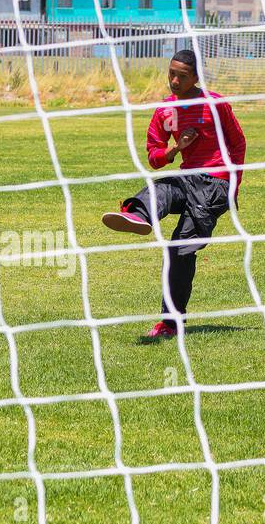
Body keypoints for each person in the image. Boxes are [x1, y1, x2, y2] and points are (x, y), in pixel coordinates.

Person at [101, 49, 246, 338]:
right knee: (161, 188)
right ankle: (138, 216)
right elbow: (154, 158)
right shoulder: (165, 110)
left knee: (179, 251)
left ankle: (170, 323)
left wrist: (234, 186)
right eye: (171, 74)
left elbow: (238, 144)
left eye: (182, 76)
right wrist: (175, 149)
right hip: (186, 177)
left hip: (214, 184)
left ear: (195, 77)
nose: (175, 81)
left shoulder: (215, 105)